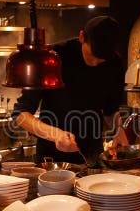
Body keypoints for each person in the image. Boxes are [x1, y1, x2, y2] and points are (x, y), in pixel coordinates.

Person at [11, 15, 128, 163]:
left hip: (92, 156)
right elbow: (20, 113)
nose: (95, 63)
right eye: (92, 56)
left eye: (101, 60)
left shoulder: (115, 63)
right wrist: (55, 135)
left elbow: (110, 108)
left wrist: (119, 129)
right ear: (81, 37)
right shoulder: (53, 58)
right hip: (52, 159)